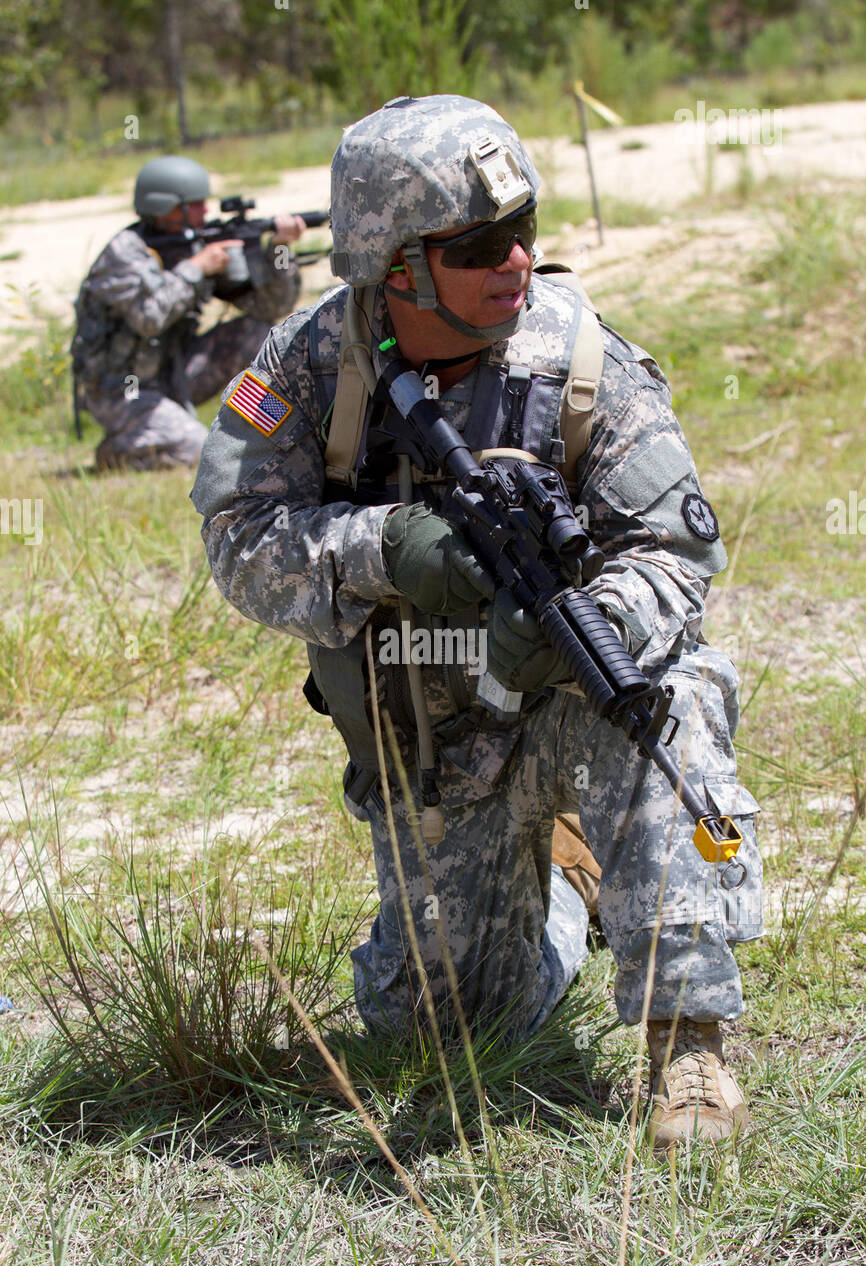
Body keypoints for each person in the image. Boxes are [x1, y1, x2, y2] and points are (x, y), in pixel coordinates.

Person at [190, 95, 764, 1150]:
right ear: (396, 266)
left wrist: (593, 618)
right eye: (479, 245)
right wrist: (385, 550)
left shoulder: (583, 361)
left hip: (563, 710)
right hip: (431, 749)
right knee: (433, 1028)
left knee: (666, 698)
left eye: (525, 232)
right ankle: (569, 886)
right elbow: (234, 537)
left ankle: (686, 1045)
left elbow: (675, 555)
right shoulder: (309, 367)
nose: (515, 261)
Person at [72, 155, 307, 471]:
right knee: (204, 452)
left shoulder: (196, 245)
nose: (205, 211)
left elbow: (270, 308)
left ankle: (272, 427)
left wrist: (279, 249)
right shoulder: (124, 254)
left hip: (174, 375)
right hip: (120, 390)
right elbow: (149, 318)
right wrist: (196, 269)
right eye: (194, 204)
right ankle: (119, 451)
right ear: (165, 207)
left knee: (257, 333)